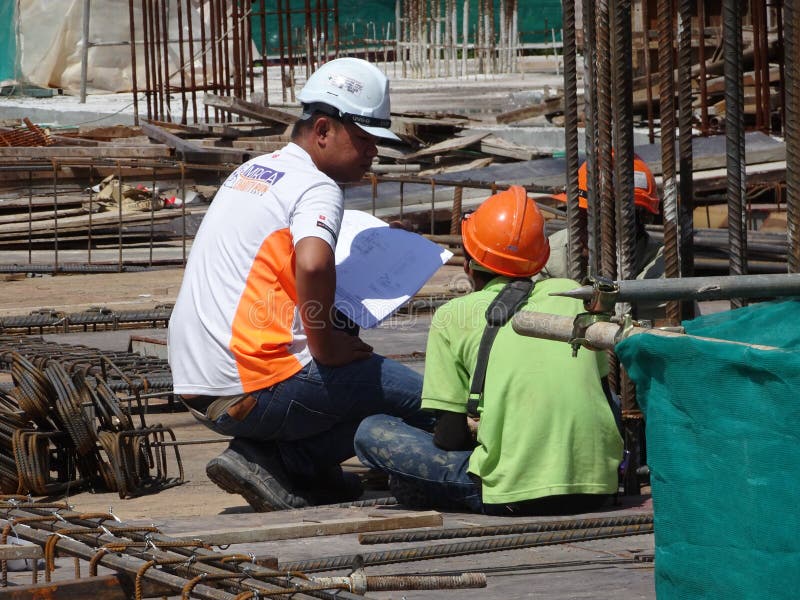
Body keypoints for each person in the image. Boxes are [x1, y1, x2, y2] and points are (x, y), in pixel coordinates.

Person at [167, 57, 426, 512]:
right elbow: (311, 262)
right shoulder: (316, 186)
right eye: (364, 140)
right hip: (255, 382)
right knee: (426, 400)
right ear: (323, 131)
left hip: (200, 384)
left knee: (356, 360)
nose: (374, 154)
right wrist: (326, 347)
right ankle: (293, 459)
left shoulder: (253, 171)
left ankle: (286, 464)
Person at [354, 186, 623, 515]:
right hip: (597, 488)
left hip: (512, 494)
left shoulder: (452, 316)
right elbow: (600, 391)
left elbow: (450, 439)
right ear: (539, 259)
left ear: (468, 265)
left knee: (372, 430)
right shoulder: (570, 294)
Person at [538, 155, 665, 321]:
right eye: (578, 216)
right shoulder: (551, 254)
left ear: (637, 221)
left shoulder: (661, 269)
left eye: (593, 219)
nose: (581, 229)